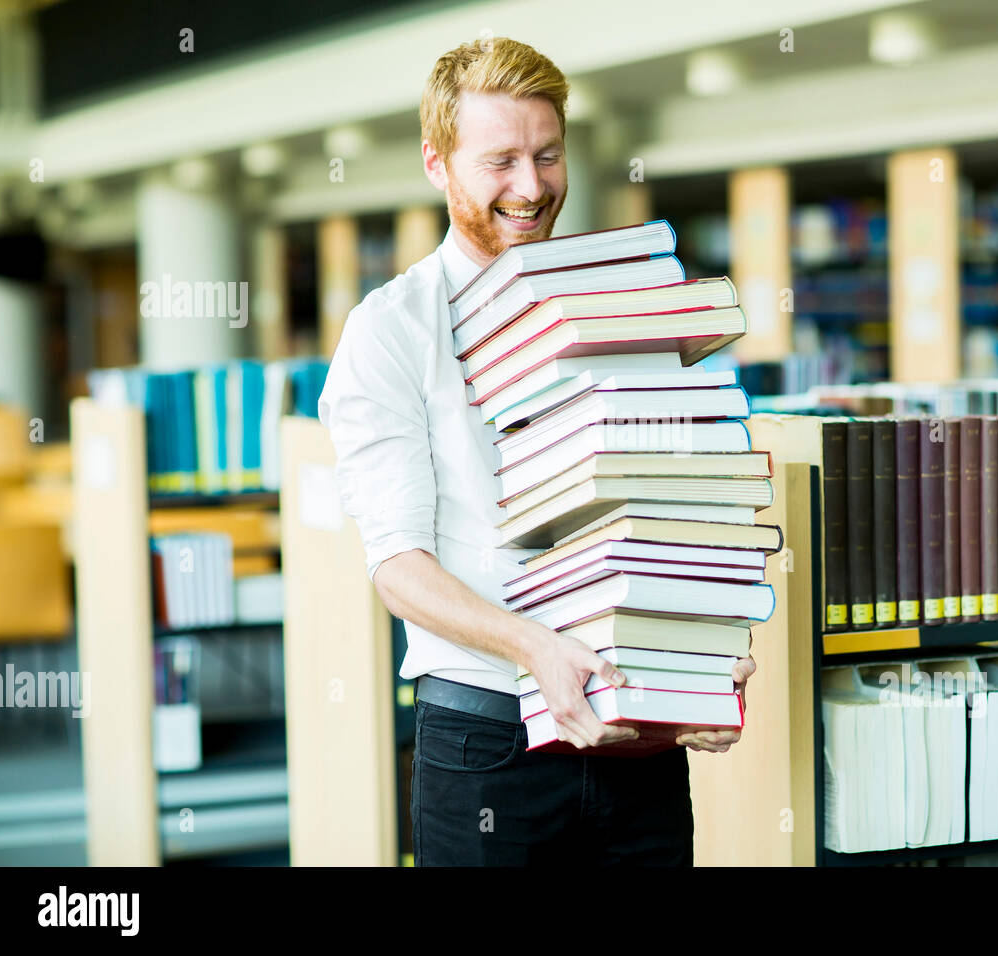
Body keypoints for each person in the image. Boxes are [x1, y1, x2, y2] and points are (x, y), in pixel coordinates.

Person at [319, 36, 756, 867]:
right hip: (489, 749)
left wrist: (702, 649)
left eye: (547, 155)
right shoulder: (393, 329)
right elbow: (398, 567)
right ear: (437, 163)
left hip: (637, 743)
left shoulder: (619, 306)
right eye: (501, 162)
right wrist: (535, 650)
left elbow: (666, 510)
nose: (531, 188)